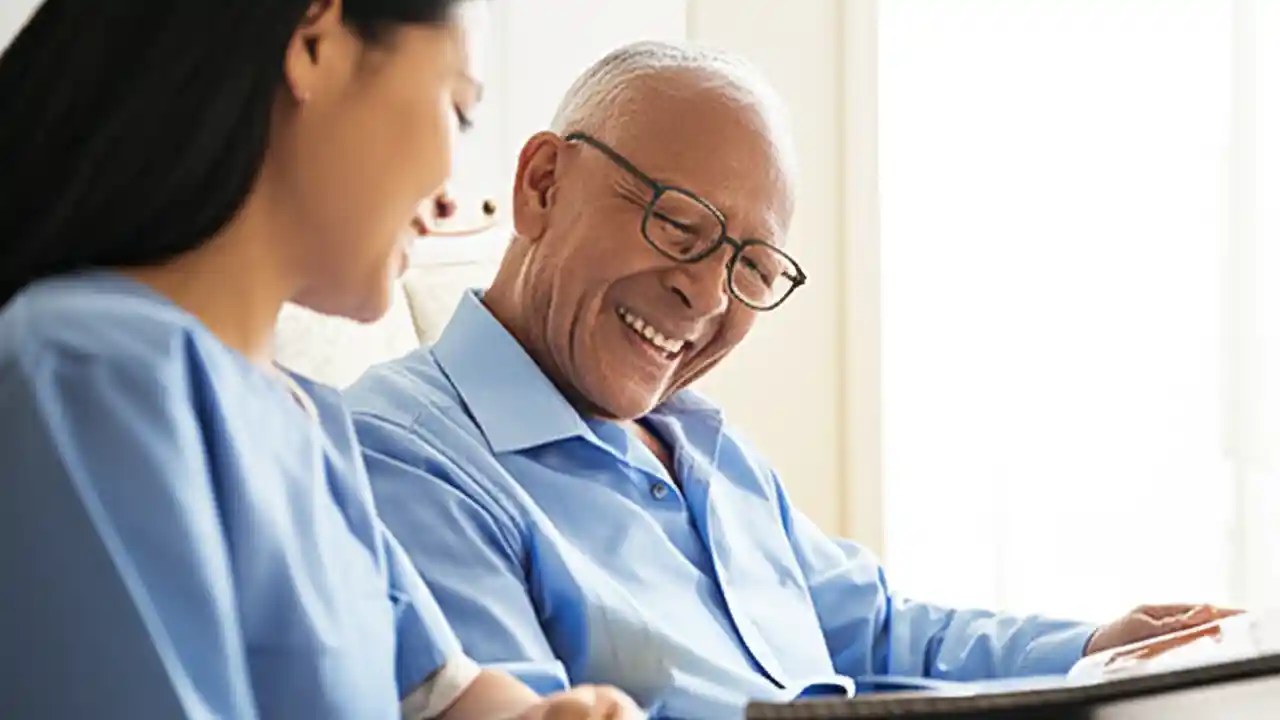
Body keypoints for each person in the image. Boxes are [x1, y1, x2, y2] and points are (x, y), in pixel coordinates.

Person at [345, 41, 1237, 718]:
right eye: (678, 224)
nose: (704, 292)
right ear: (542, 184)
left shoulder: (700, 444)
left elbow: (882, 630)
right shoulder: (401, 458)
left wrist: (1097, 652)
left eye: (754, 268)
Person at [0, 2, 638, 718]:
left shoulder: (308, 424)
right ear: (315, 44)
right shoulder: (88, 374)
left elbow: (437, 693)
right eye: (457, 110)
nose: (448, 193)